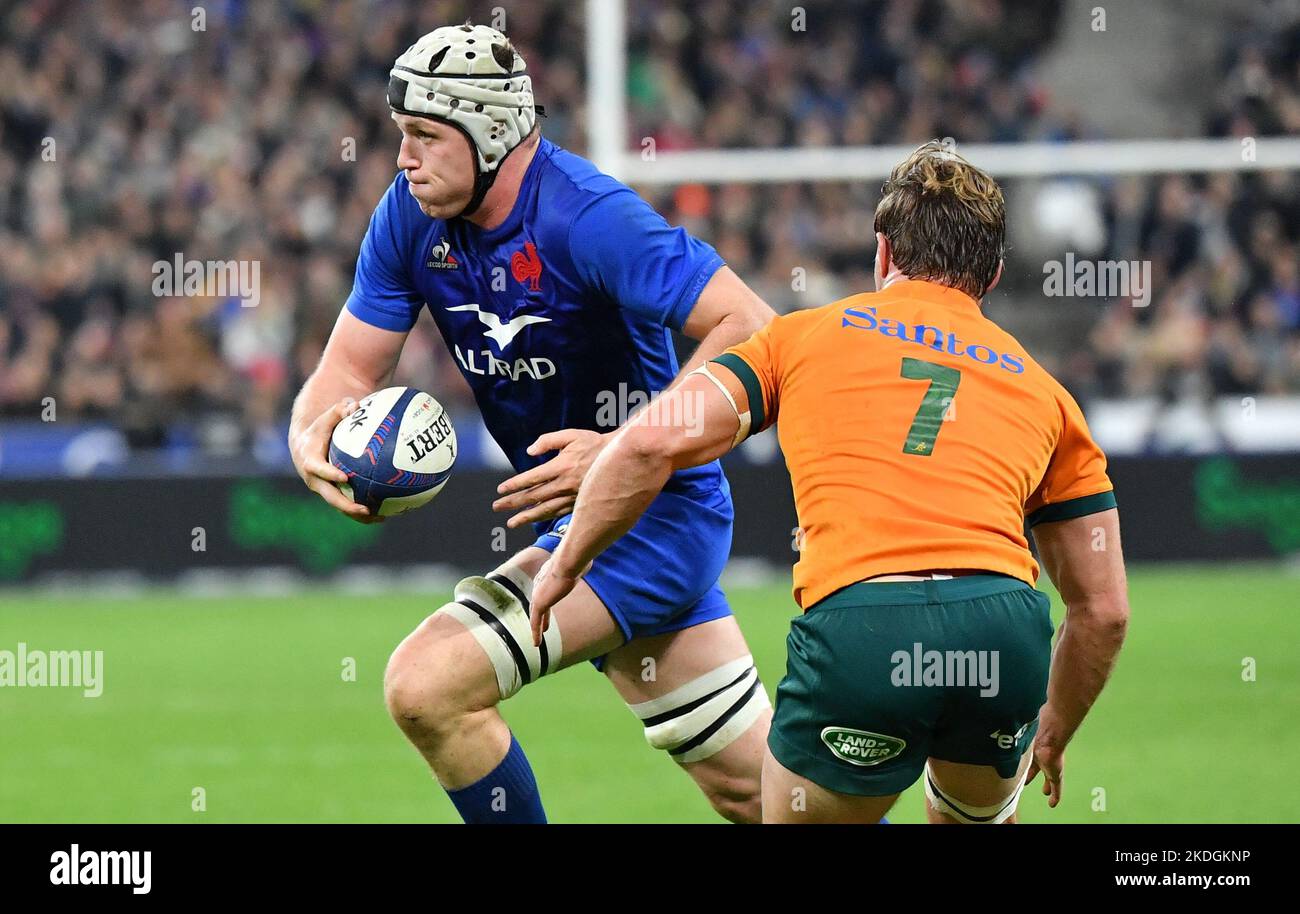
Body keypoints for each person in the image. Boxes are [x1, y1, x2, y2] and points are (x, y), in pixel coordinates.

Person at [532, 141, 1131, 824]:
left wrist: (567, 562)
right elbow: (1104, 611)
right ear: (991, 276)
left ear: (882, 252)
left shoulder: (799, 339)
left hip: (865, 629)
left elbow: (649, 443)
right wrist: (1053, 726)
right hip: (1002, 633)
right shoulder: (1047, 393)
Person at [287, 23, 776, 824]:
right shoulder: (411, 216)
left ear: (488, 133)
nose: (402, 158)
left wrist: (628, 447)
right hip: (585, 522)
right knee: (766, 799)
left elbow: (753, 327)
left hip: (655, 519)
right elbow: (344, 372)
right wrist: (312, 432)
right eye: (399, 135)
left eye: (422, 136)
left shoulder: (589, 217)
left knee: (427, 686)